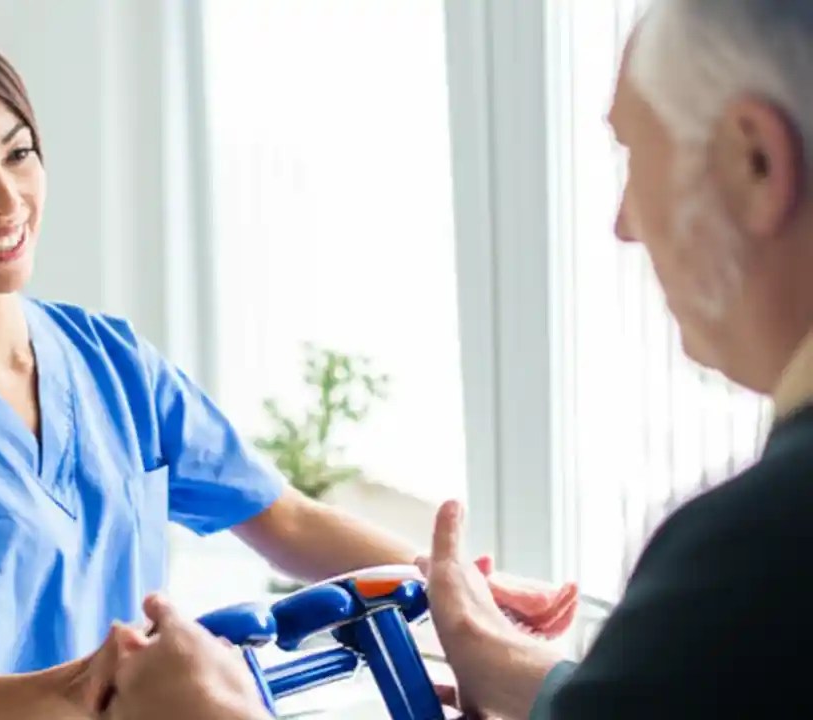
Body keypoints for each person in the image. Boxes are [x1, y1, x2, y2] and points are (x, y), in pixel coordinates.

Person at [0, 27, 577, 720]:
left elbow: (284, 521)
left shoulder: (110, 360)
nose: (6, 198)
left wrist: (456, 590)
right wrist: (114, 685)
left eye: (19, 154)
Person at [101, 0, 813, 717]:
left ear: (756, 162)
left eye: (635, 157)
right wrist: (526, 674)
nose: (623, 223)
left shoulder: (754, 558)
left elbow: (284, 516)